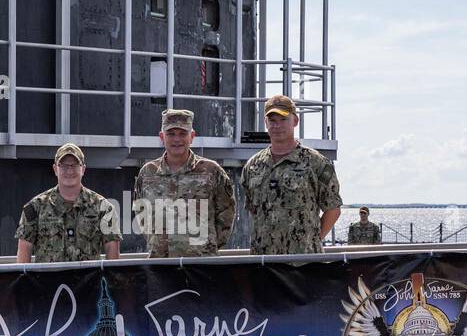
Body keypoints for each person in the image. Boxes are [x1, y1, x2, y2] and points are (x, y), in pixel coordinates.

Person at [241, 94, 342, 254]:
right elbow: (254, 210)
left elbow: (333, 209)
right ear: (265, 123)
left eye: (283, 120)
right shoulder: (253, 166)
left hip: (303, 264)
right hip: (263, 263)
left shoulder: (315, 162)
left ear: (295, 121)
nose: (277, 126)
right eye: (272, 120)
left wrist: (312, 241)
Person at [132, 108, 237, 257]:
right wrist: (158, 242)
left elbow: (227, 214)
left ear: (192, 136)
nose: (177, 139)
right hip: (161, 264)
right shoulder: (147, 173)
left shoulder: (211, 171)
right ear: (162, 136)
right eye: (171, 134)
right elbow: (141, 214)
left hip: (200, 265)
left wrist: (205, 246)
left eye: (182, 134)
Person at [15, 143, 121, 263]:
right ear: (55, 169)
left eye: (75, 165)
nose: (69, 171)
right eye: (64, 166)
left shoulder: (104, 208)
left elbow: (112, 254)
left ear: (83, 169)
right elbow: (24, 253)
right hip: (47, 281)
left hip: (88, 281)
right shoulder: (34, 208)